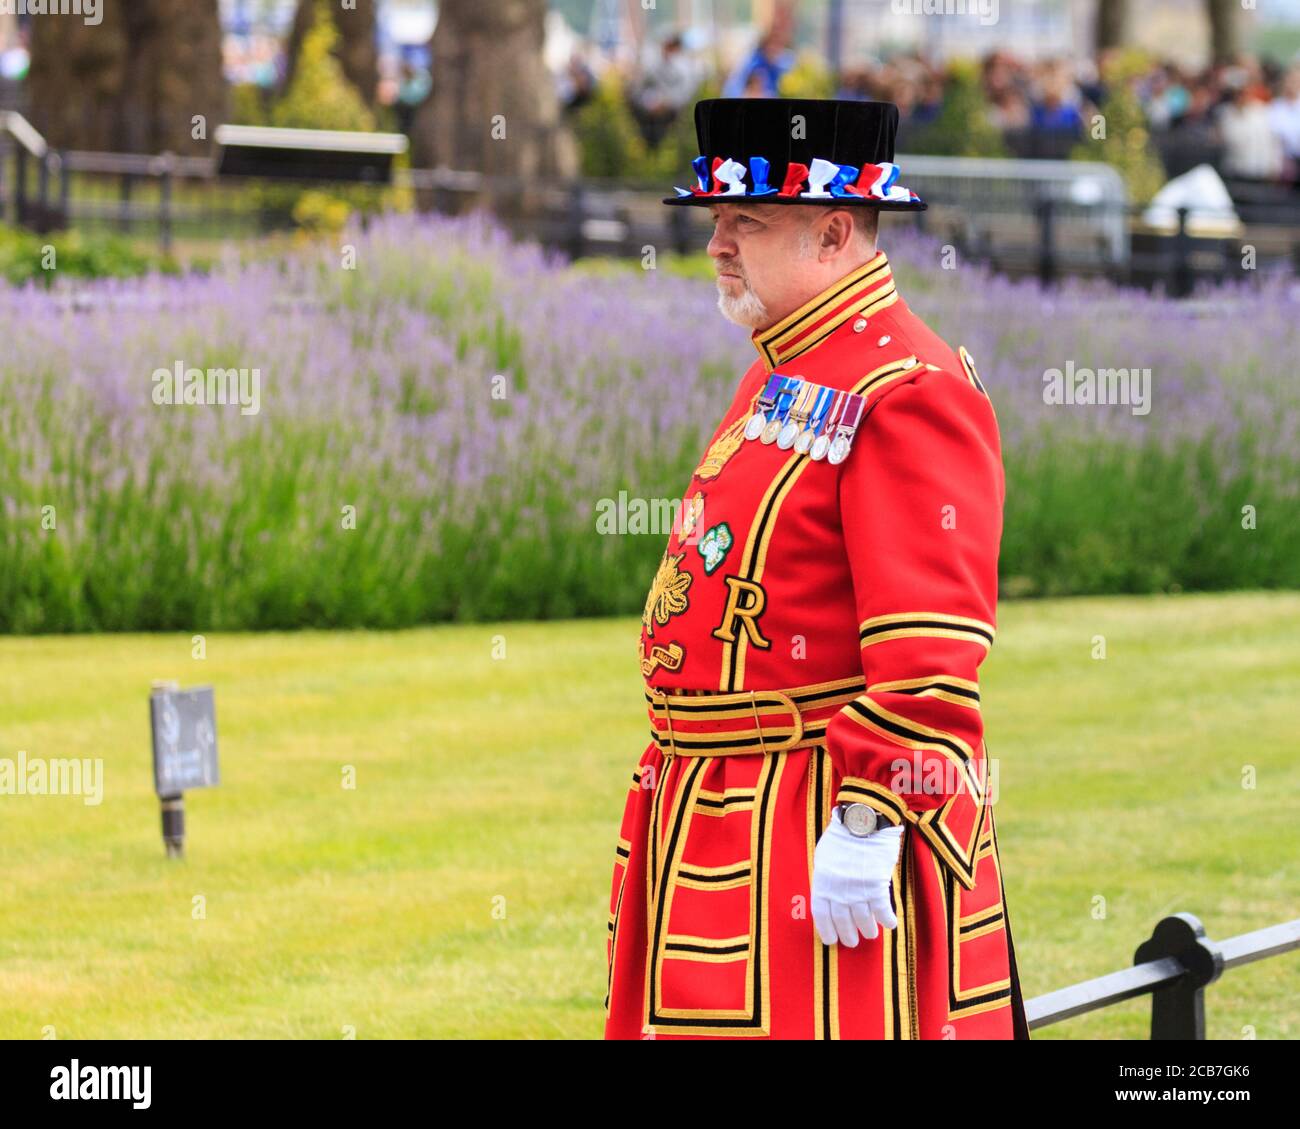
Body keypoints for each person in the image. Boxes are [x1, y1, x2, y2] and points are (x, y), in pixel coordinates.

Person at [603, 97, 1030, 1040]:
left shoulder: (908, 387)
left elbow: (930, 650)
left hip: (815, 817)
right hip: (718, 804)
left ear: (835, 230)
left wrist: (872, 817)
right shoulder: (787, 362)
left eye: (745, 221)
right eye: (717, 221)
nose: (717, 244)